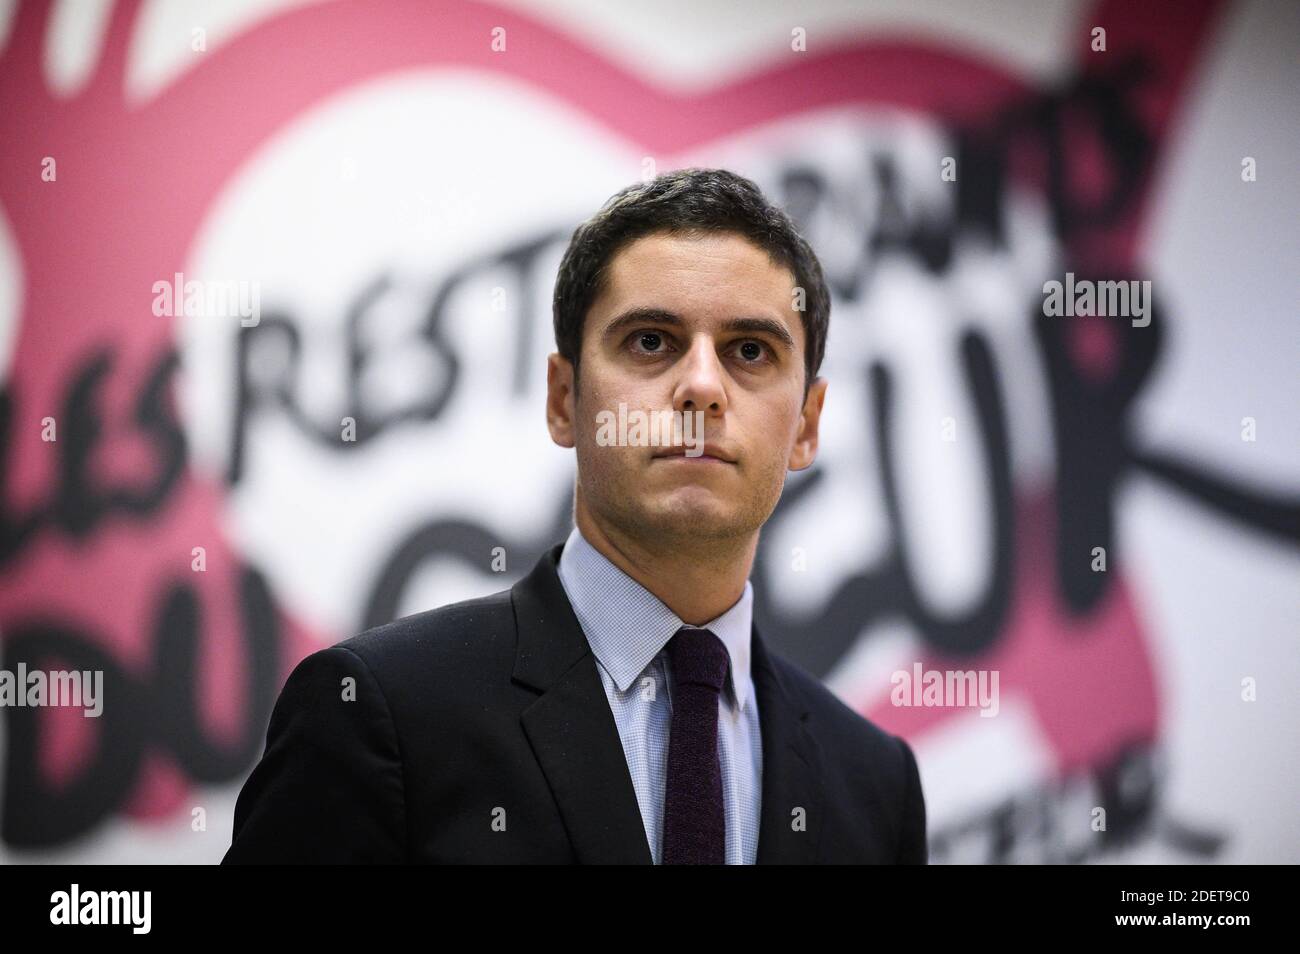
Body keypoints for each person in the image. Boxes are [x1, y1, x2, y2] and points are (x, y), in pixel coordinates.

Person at [223, 168, 927, 864]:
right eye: (651, 341)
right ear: (564, 400)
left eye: (750, 351)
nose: (702, 387)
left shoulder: (875, 785)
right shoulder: (377, 712)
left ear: (806, 424)